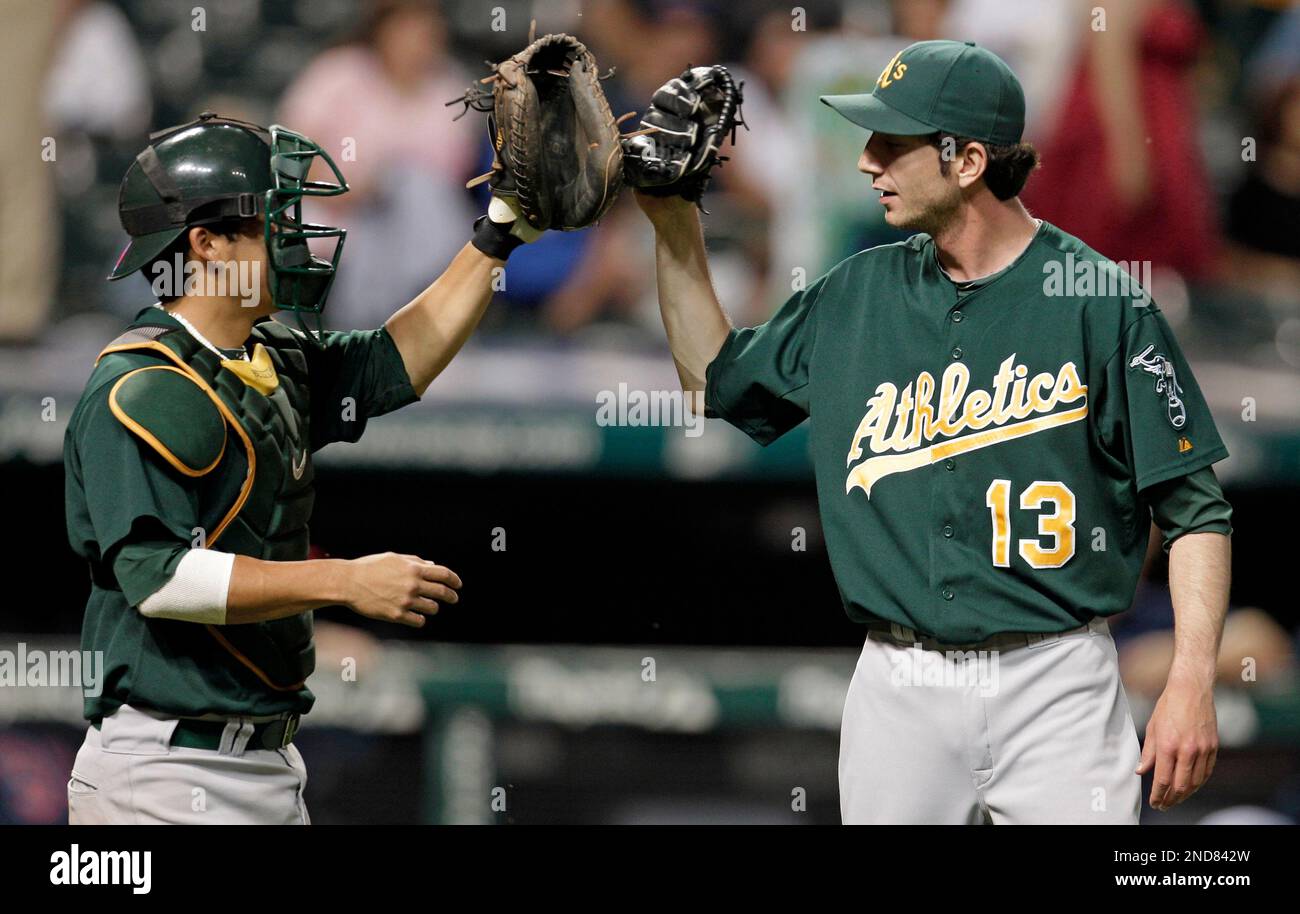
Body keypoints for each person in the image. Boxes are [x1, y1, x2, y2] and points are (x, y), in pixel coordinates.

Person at [632, 40, 1233, 824]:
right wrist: (673, 222)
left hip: (1056, 679)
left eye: (893, 142)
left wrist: (1191, 679)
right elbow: (712, 383)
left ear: (969, 160)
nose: (866, 161)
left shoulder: (1101, 301)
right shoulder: (858, 291)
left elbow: (1196, 511)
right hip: (898, 682)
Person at [63, 112, 540, 824]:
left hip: (270, 762)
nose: (295, 234)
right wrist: (345, 581)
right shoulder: (144, 385)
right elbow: (159, 578)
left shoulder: (271, 353)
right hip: (165, 772)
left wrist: (499, 231)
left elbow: (395, 359)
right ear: (207, 242)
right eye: (273, 219)